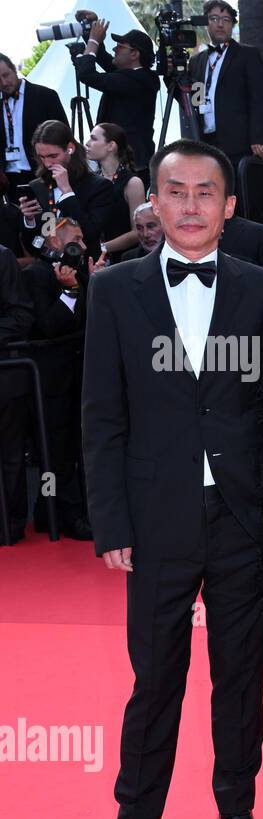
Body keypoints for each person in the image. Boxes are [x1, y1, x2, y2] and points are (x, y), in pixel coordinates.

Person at [79, 139, 263, 819]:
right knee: (155, 679)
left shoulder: (260, 287)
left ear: (230, 206)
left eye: (205, 192)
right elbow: (101, 416)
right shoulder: (114, 289)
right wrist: (111, 525)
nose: (191, 206)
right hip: (156, 518)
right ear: (153, 203)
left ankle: (238, 811)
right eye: (176, 191)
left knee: (240, 678)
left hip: (241, 518)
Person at [20, 217, 99, 542]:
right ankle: (62, 513)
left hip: (76, 376)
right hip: (49, 382)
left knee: (72, 448)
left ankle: (48, 510)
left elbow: (89, 322)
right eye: (76, 239)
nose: (83, 246)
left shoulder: (79, 274)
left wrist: (93, 284)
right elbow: (49, 325)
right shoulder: (36, 275)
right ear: (54, 240)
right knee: (56, 453)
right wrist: (69, 291)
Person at [187, 1, 263, 218]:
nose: (220, 24)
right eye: (214, 19)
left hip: (238, 141)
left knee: (241, 200)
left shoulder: (247, 54)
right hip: (207, 140)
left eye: (226, 20)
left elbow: (257, 99)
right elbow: (195, 99)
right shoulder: (197, 61)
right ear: (206, 23)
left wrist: (257, 138)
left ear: (233, 24)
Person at [73, 21, 160, 180]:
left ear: (134, 54)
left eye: (120, 47)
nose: (114, 49)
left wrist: (93, 41)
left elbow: (87, 75)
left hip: (129, 163)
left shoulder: (138, 80)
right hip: (124, 159)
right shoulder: (135, 76)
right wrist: (90, 29)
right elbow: (106, 60)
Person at [19, 121, 115, 260]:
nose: (47, 164)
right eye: (42, 157)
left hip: (85, 265)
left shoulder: (99, 186)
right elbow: (33, 245)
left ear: (70, 148)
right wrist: (29, 220)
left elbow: (89, 233)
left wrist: (67, 192)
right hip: (47, 266)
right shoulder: (38, 187)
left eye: (53, 156)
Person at [0, 241, 33, 544]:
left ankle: (9, 524)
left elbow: (21, 315)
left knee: (10, 453)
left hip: (5, 375)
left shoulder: (2, 257)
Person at [0, 52, 69, 191]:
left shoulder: (45, 96)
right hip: (7, 180)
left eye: (6, 75)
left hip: (42, 174)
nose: (4, 83)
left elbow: (63, 136)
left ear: (14, 69)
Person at [84, 123, 146, 260]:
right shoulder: (90, 180)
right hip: (93, 259)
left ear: (111, 146)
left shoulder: (132, 183)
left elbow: (138, 232)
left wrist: (102, 248)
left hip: (123, 260)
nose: (87, 143)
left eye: (94, 138)